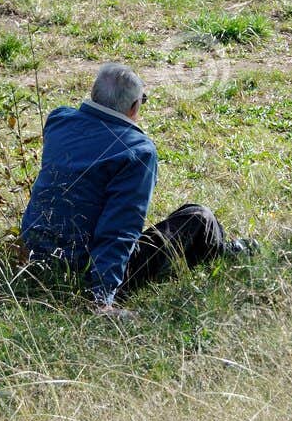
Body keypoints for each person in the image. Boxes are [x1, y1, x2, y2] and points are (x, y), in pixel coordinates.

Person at [20, 61, 253, 316]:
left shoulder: (59, 121)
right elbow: (119, 230)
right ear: (134, 106)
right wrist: (101, 299)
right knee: (199, 218)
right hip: (85, 268)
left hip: (36, 255)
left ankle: (219, 249)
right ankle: (223, 252)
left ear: (94, 94)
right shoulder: (138, 151)